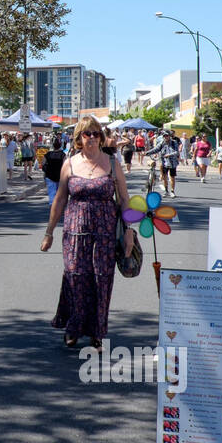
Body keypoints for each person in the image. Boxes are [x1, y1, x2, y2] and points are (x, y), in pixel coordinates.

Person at [42, 116, 135, 350]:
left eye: (96, 133)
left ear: (101, 137)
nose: (92, 137)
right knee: (75, 276)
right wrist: (49, 232)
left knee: (101, 279)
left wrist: (129, 231)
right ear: (79, 139)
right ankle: (73, 327)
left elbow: (124, 199)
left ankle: (97, 331)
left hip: (105, 233)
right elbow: (60, 198)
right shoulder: (70, 164)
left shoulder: (112, 163)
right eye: (87, 134)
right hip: (75, 231)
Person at [145, 130, 181, 198]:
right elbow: (156, 149)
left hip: (172, 162)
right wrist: (148, 152)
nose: (165, 137)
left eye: (167, 136)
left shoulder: (174, 143)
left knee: (172, 176)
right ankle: (166, 191)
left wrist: (169, 155)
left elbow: (176, 152)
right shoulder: (162, 143)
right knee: (164, 177)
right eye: (164, 136)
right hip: (164, 162)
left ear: (169, 136)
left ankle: (172, 191)